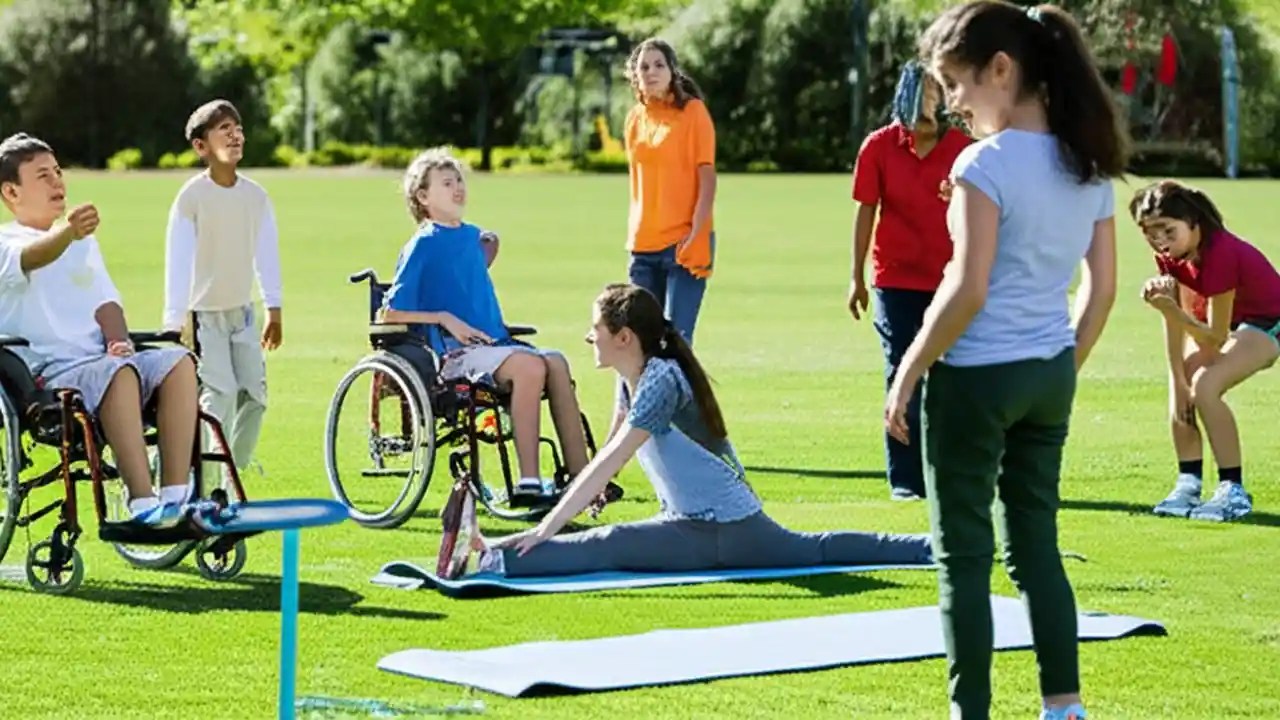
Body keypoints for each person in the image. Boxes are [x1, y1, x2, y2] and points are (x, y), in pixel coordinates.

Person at [888, 2, 1126, 718]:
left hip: (975, 378)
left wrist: (908, 371)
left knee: (963, 555)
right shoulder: (1090, 166)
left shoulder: (982, 164)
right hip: (1049, 374)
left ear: (1002, 69)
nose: (952, 104)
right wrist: (1061, 362)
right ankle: (1065, 708)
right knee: (1036, 551)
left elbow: (967, 287)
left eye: (956, 85)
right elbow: (1104, 288)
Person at [436, 283, 934, 580]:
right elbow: (607, 455)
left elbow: (612, 461)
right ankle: (489, 553)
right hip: (697, 521)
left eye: (597, 329)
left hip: (724, 529)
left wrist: (547, 526)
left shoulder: (661, 382)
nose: (590, 337)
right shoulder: (637, 378)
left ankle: (492, 563)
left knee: (607, 545)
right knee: (608, 542)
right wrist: (553, 519)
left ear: (625, 338)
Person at [0, 133, 199, 526]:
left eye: (58, 172)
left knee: (178, 362)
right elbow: (34, 256)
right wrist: (69, 233)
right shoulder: (8, 241)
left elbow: (106, 301)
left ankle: (176, 495)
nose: (58, 182)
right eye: (43, 176)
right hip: (49, 375)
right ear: (11, 191)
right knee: (118, 373)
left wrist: (119, 340)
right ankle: (142, 502)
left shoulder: (83, 243)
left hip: (101, 361)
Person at [380, 147, 592, 500]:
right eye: (446, 183)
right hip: (453, 355)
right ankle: (528, 482)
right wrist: (444, 318)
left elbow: (469, 267)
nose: (458, 187)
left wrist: (489, 246)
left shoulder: (470, 236)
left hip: (491, 346)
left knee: (555, 362)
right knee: (529, 367)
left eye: (459, 180)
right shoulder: (422, 244)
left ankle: (583, 478)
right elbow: (391, 313)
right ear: (423, 196)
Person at [849, 60, 973, 501]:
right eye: (921, 95)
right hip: (894, 280)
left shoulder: (964, 148)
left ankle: (948, 474)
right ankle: (905, 480)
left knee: (949, 377)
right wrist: (856, 278)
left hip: (951, 280)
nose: (929, 104)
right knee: (901, 373)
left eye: (937, 95)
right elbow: (866, 211)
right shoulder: (878, 147)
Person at [1130, 179, 1280, 522]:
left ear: (1194, 223)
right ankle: (1188, 483)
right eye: (1151, 234)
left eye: (1168, 230)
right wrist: (1176, 376)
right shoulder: (1171, 257)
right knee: (1183, 387)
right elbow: (1179, 319)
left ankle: (1233, 491)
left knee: (1206, 387)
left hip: (1269, 322)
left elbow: (1212, 336)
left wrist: (1169, 309)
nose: (1160, 242)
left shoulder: (1220, 253)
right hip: (1227, 324)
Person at [164, 99, 282, 482]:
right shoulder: (192, 198)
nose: (235, 135)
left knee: (255, 396)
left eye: (238, 127)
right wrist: (175, 319)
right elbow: (178, 261)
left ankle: (232, 471)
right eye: (223, 129)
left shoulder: (256, 197)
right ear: (201, 146)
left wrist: (274, 308)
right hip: (203, 317)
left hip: (242, 314)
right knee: (221, 395)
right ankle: (209, 486)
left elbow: (266, 254)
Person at [622, 37, 717, 346]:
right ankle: (631, 398)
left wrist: (697, 232)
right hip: (643, 245)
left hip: (683, 244)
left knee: (676, 341)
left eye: (659, 65)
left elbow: (707, 177)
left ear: (672, 71)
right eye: (644, 67)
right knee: (637, 341)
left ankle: (682, 397)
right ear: (635, 76)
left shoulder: (693, 113)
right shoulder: (634, 119)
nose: (651, 72)